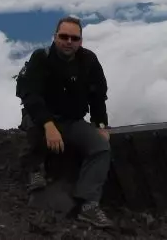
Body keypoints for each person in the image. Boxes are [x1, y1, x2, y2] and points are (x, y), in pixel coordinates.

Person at [16, 16, 113, 228]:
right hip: (40, 119)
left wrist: (101, 125)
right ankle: (34, 169)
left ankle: (88, 204)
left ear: (80, 41)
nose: (69, 41)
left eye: (74, 38)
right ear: (55, 37)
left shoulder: (89, 61)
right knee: (35, 131)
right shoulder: (41, 58)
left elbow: (98, 96)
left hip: (71, 120)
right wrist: (49, 125)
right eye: (64, 36)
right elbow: (30, 95)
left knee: (101, 148)